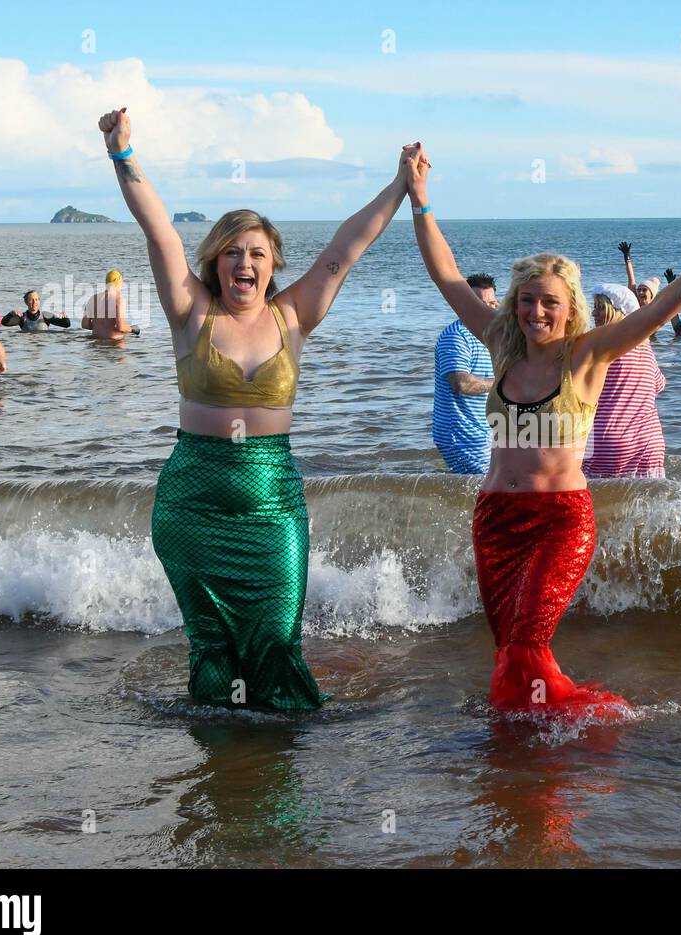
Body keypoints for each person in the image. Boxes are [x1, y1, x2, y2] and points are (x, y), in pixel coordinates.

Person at [99, 104, 421, 710]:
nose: (243, 263)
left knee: (275, 637)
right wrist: (122, 154)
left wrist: (402, 185)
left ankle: (279, 761)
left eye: (256, 254)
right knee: (213, 646)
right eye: (232, 252)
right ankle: (224, 761)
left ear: (272, 266)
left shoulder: (293, 315)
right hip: (193, 497)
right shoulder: (191, 310)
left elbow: (347, 248)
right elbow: (159, 229)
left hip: (271, 497)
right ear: (214, 261)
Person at [409, 146, 681, 716]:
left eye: (549, 302)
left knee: (528, 641)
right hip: (494, 521)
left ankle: (558, 729)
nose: (536, 311)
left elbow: (658, 314)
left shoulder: (586, 356)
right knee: (510, 646)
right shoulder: (500, 346)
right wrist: (420, 199)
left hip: (561, 519)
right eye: (527, 300)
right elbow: (446, 275)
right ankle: (529, 738)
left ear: (569, 306)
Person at [583, 282, 667, 479]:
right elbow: (659, 384)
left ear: (618, 312)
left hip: (606, 437)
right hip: (649, 440)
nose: (594, 313)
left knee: (597, 503)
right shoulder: (646, 348)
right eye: (594, 307)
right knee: (647, 501)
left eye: (600, 307)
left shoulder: (597, 347)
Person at [432, 273, 496, 473]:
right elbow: (461, 383)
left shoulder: (491, 334)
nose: (487, 308)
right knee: (489, 487)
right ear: (465, 305)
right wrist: (504, 382)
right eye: (480, 303)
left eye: (492, 303)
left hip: (483, 430)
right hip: (460, 432)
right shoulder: (457, 336)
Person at [82, 270, 133, 341]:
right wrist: (132, 329)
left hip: (95, 343)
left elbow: (85, 325)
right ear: (120, 283)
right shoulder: (119, 300)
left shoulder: (93, 299)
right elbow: (121, 327)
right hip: (114, 343)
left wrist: (100, 327)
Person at [1, 290, 72, 332]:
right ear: (26, 302)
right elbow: (4, 323)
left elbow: (66, 325)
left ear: (39, 301)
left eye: (36, 299)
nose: (34, 302)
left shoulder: (45, 316)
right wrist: (11, 314)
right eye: (31, 300)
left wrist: (65, 318)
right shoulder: (22, 318)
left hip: (42, 345)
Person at [617, 242, 660, 307]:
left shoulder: (657, 308)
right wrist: (627, 258)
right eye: (639, 290)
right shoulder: (635, 304)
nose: (640, 292)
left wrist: (672, 283)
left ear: (651, 294)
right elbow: (631, 279)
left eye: (644, 290)